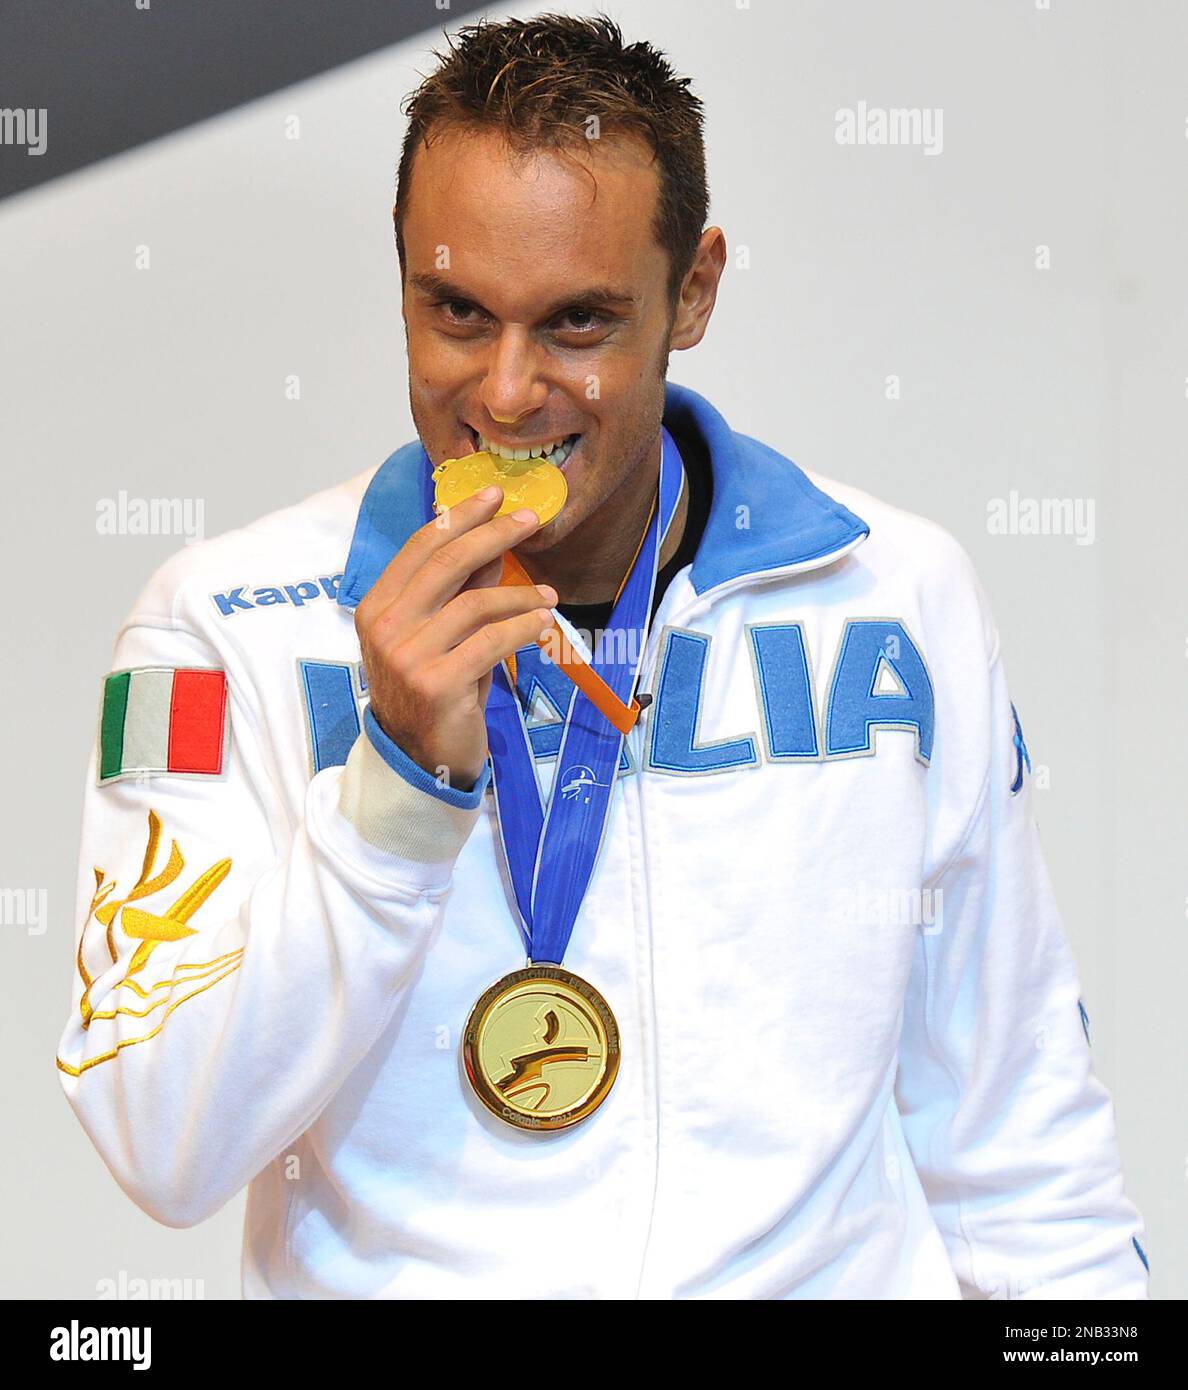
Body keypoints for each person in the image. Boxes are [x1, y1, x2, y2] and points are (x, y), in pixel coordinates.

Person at [57, 12, 1149, 1299]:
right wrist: (394, 798)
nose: (507, 392)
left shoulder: (898, 601)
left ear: (695, 291)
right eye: (456, 311)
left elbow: (1018, 1139)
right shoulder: (227, 621)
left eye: (577, 323)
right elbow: (162, 1143)